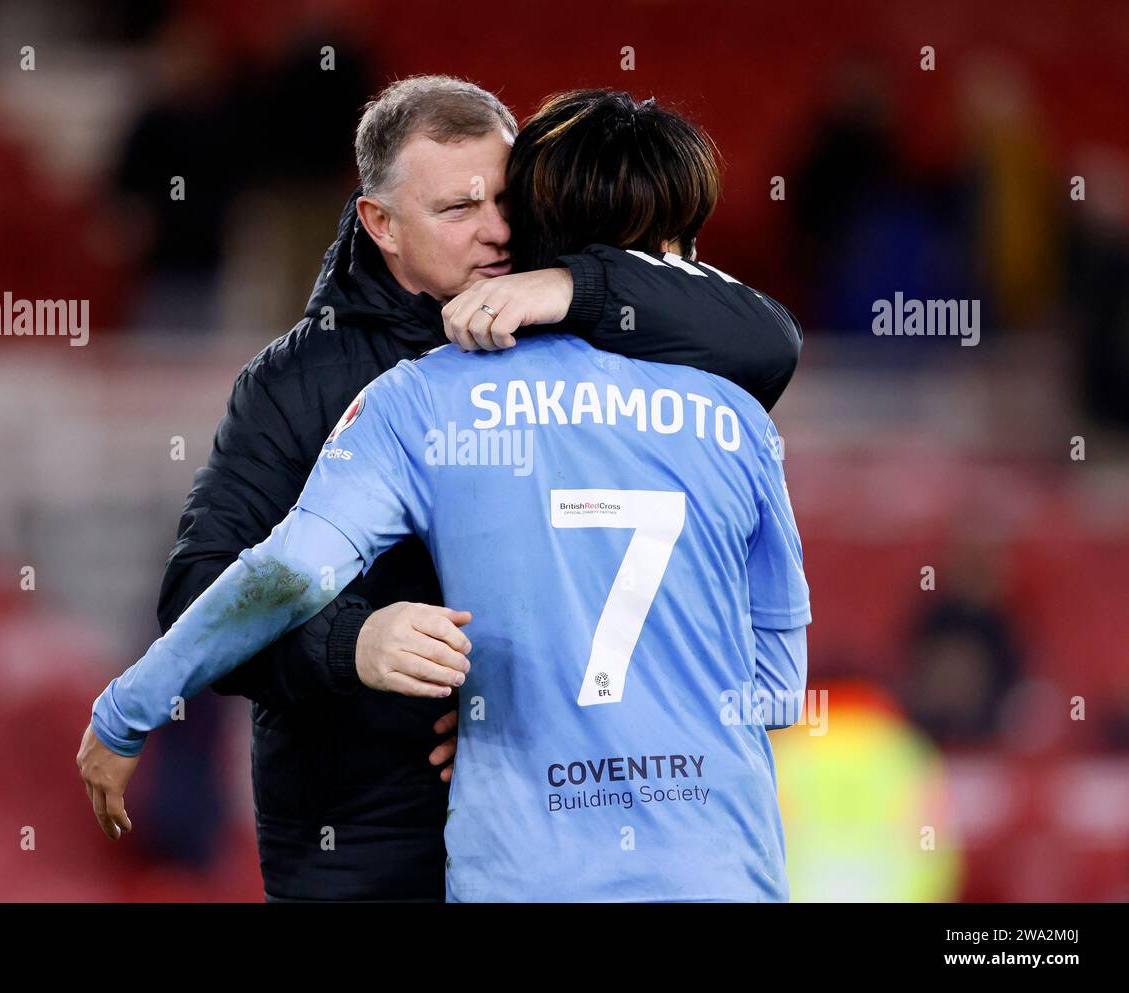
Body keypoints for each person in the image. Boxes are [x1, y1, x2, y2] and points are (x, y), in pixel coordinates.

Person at [96, 77, 804, 902]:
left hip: (519, 861)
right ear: (381, 224)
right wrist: (354, 646)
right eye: (459, 210)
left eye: (509, 202)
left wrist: (126, 709)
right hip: (663, 863)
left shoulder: (423, 398)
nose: (499, 232)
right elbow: (776, 684)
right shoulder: (731, 408)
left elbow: (279, 573)